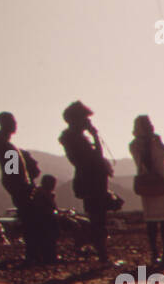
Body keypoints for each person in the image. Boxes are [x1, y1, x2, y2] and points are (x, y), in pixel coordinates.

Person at [58, 100, 112, 262]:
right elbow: (95, 157)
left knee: (97, 216)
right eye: (85, 118)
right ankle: (102, 255)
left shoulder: (72, 137)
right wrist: (95, 136)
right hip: (91, 181)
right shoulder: (74, 139)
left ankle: (101, 253)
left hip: (89, 179)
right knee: (98, 217)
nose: (88, 122)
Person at [129, 115, 164, 264]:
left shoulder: (156, 142)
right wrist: (150, 142)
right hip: (149, 184)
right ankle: (155, 253)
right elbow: (144, 162)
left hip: (162, 183)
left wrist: (161, 144)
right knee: (152, 221)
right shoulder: (135, 145)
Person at [0, 112, 40, 263]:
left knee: (29, 220)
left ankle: (33, 254)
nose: (15, 125)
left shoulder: (4, 144)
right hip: (20, 187)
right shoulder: (6, 147)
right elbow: (12, 171)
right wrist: (23, 185)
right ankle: (32, 255)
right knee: (29, 220)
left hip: (18, 186)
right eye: (13, 122)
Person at [28, 174, 60, 264]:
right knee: (49, 238)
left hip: (46, 219)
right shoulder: (41, 194)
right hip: (44, 220)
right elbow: (42, 209)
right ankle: (49, 257)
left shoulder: (45, 193)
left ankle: (49, 256)